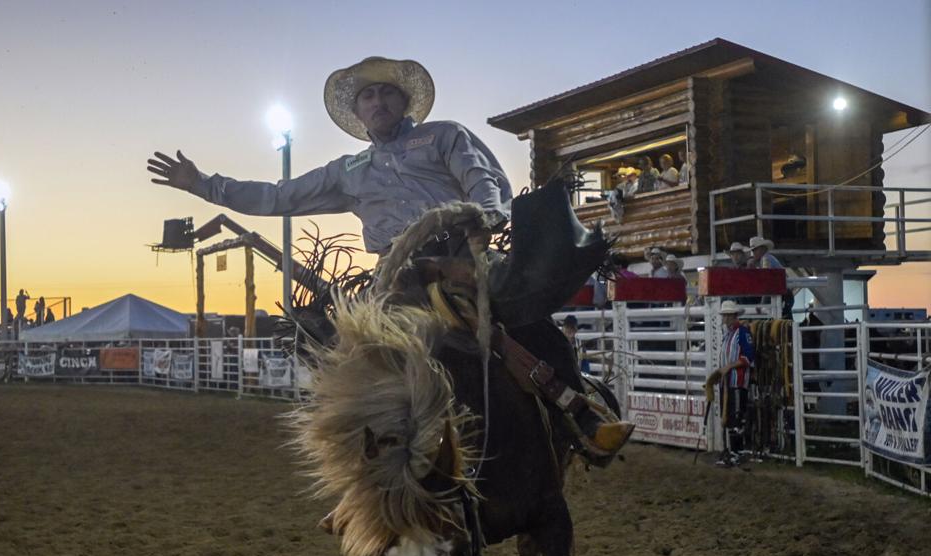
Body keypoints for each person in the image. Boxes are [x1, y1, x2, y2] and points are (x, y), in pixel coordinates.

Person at [147, 55, 632, 459]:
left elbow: (483, 179)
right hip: (395, 278)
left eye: (386, 93)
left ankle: (579, 414)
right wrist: (204, 185)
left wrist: (484, 214)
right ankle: (353, 461)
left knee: (522, 319)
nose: (377, 102)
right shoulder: (349, 170)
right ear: (358, 112)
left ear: (403, 102)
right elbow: (278, 196)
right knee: (340, 352)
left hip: (459, 259)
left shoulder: (444, 136)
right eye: (367, 96)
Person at [712, 301, 755, 467]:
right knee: (729, 418)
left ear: (733, 316)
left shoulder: (742, 333)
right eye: (724, 315)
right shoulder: (729, 334)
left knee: (736, 418)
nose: (725, 318)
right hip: (727, 382)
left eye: (727, 315)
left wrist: (729, 366)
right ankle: (732, 452)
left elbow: (749, 356)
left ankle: (737, 453)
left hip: (737, 381)